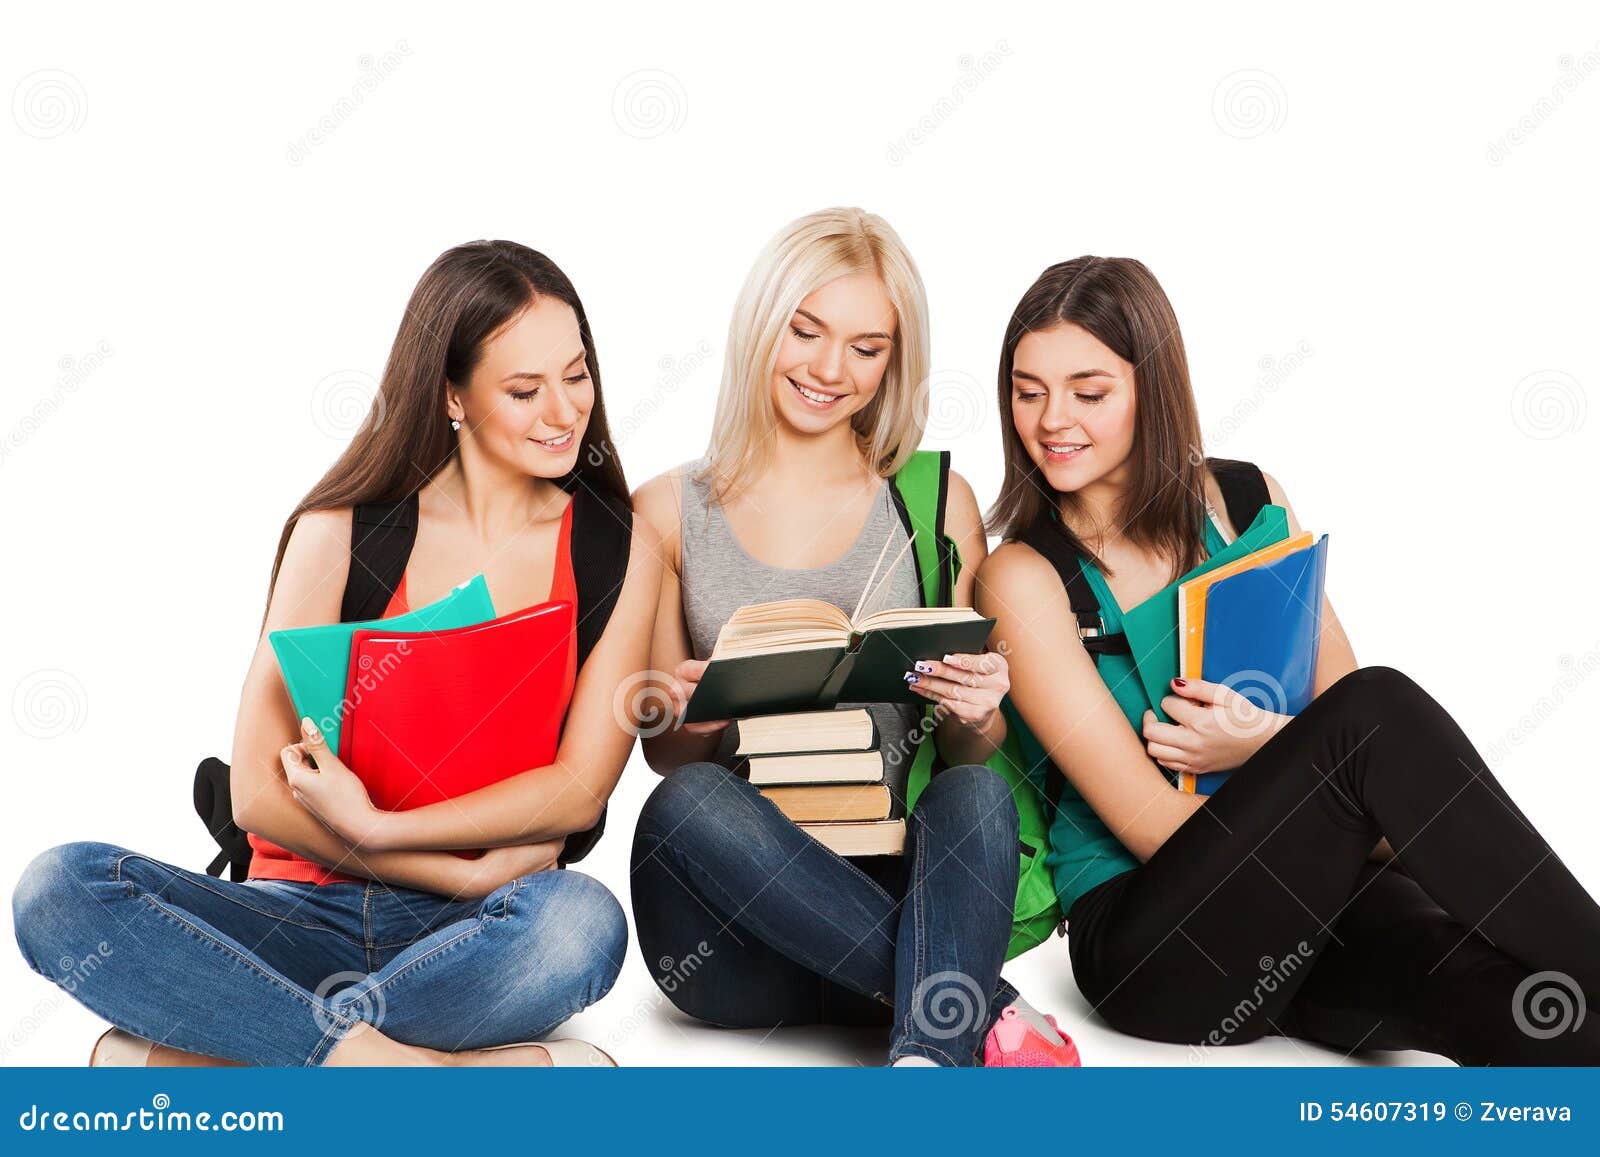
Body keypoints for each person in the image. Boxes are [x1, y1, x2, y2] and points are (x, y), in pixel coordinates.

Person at [12, 240, 662, 1067]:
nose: (565, 411)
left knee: (582, 923)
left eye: (576, 375)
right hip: (296, 908)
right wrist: (424, 856)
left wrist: (387, 830)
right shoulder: (337, 536)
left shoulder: (618, 550)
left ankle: (234, 1044)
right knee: (59, 891)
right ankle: (403, 1069)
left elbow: (576, 790)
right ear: (452, 396)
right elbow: (254, 791)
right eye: (525, 390)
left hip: (471, 928)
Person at [978, 255, 1600, 1064]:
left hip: (1314, 904)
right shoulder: (1023, 577)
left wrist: (1259, 748)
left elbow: (1385, 789)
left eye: (1088, 392)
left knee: (1538, 1011)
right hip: (1159, 939)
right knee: (1379, 705)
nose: (1052, 419)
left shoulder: (1244, 501)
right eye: (1029, 392)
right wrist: (1294, 758)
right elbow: (1161, 828)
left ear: (1152, 391)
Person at [629, 207, 1078, 1068]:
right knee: (682, 806)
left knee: (976, 800)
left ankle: (925, 1058)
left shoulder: (937, 502)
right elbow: (668, 759)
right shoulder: (668, 510)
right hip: (736, 940)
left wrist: (979, 708)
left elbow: (969, 757)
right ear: (763, 324)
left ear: (893, 362)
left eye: (866, 347)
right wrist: (696, 704)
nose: (830, 369)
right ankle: (974, 1005)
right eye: (806, 331)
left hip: (898, 894)